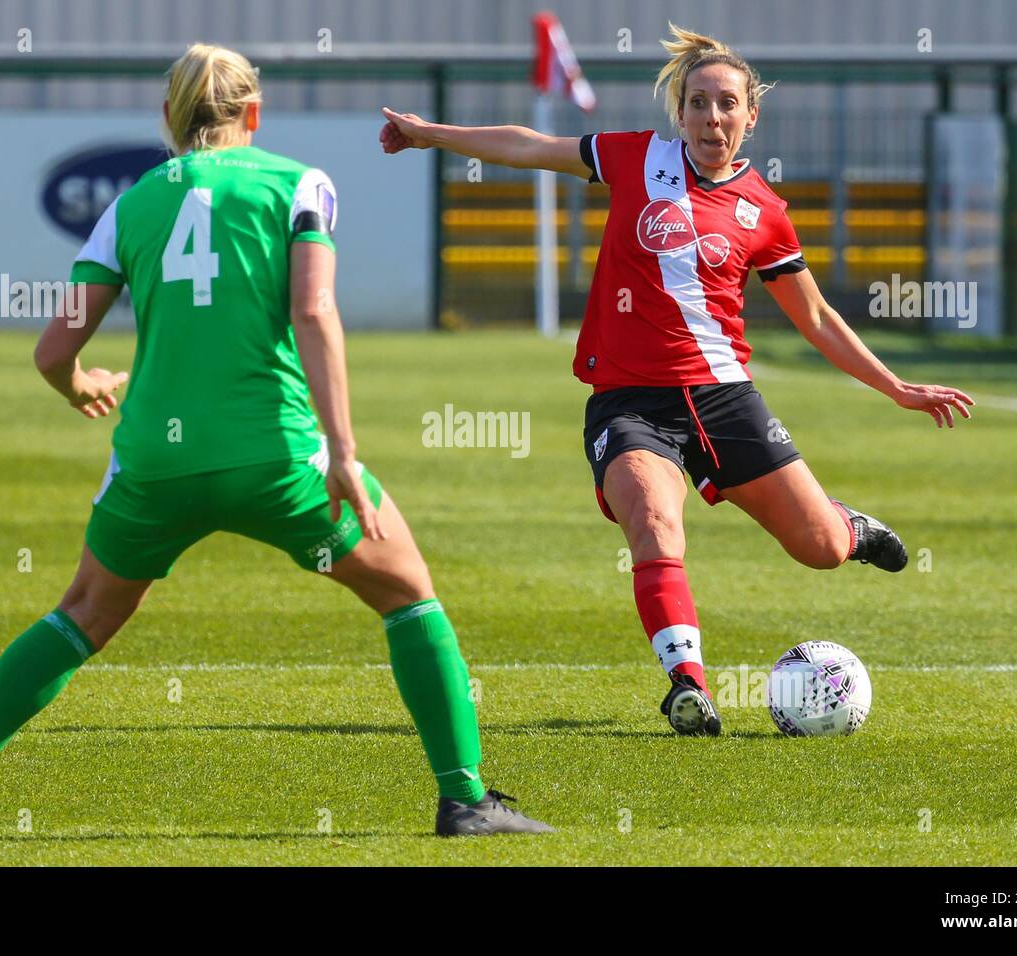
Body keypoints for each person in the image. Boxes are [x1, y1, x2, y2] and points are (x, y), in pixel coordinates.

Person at [0, 43, 552, 837]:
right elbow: (314, 313)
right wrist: (343, 452)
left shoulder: (133, 202)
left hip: (155, 465)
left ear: (169, 119)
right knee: (407, 593)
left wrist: (84, 387)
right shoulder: (297, 183)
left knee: (80, 616)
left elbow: (52, 353)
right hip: (276, 458)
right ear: (254, 113)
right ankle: (463, 798)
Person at [379, 24, 973, 736]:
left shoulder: (766, 212)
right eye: (698, 103)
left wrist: (899, 388)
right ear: (680, 112)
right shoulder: (636, 158)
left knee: (818, 548)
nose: (711, 118)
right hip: (629, 404)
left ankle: (849, 526)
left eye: (726, 104)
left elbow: (815, 317)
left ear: (751, 115)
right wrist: (428, 134)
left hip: (725, 399)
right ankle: (687, 685)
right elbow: (528, 145)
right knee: (654, 524)